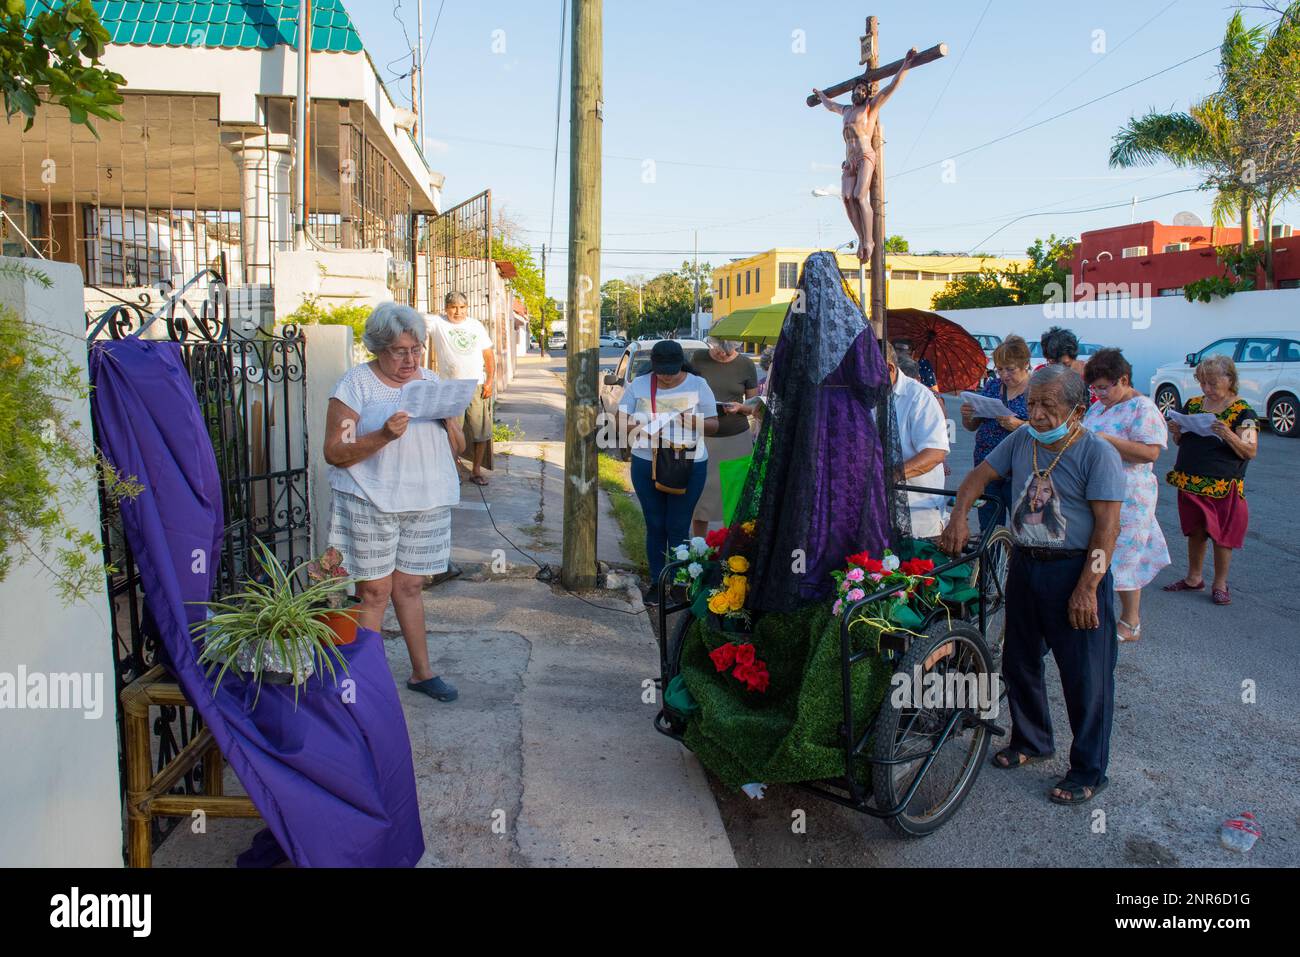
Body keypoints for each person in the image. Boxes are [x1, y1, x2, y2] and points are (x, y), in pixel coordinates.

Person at [940, 364, 1125, 805]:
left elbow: (1108, 529)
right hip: (1027, 564)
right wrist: (960, 516)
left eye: (1049, 406)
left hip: (1076, 572)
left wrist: (1087, 588)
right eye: (1033, 404)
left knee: (1086, 676)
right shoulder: (1022, 439)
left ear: (1077, 410)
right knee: (1019, 661)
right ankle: (1032, 740)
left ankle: (1088, 770)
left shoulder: (1098, 454)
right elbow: (977, 478)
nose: (1037, 414)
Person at [323, 302, 465, 702]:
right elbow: (334, 450)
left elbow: (458, 448)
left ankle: (422, 674)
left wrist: (448, 424)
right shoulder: (355, 385)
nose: (411, 359)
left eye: (416, 348)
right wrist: (383, 435)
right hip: (370, 500)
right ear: (378, 348)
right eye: (399, 351)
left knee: (410, 587)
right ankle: (366, 684)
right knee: (374, 592)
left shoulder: (433, 382)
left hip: (426, 501)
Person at [617, 340, 719, 603]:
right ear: (654, 366)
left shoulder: (698, 385)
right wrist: (643, 425)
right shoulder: (640, 385)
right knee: (655, 524)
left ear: (680, 365)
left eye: (672, 372)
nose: (666, 377)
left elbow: (714, 425)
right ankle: (656, 581)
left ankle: (679, 582)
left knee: (678, 525)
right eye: (662, 372)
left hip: (689, 462)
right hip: (646, 460)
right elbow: (619, 421)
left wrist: (693, 421)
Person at [1083, 349, 1170, 642]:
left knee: (1125, 557)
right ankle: (1095, 610)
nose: (1098, 393)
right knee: (1097, 551)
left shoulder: (1142, 408)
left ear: (1124, 379)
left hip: (1130, 495)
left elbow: (1150, 452)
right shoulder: (1098, 407)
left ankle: (1130, 621)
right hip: (1097, 491)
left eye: (1104, 387)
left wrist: (1109, 441)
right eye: (1094, 388)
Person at [1162, 354, 1258, 606]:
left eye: (1213, 383)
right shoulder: (1193, 405)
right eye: (1203, 382)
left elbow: (1250, 450)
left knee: (1222, 535)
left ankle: (1220, 583)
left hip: (1223, 484)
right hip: (1191, 480)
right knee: (1195, 531)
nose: (1207, 389)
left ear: (1230, 379)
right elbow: (1182, 441)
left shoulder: (1243, 411)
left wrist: (1228, 434)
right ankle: (1194, 578)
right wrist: (1177, 432)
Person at [812, 47, 918, 263]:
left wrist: (905, 65)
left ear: (867, 93)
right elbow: (830, 105)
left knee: (860, 196)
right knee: (847, 198)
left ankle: (869, 240)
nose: (858, 92)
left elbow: (891, 87)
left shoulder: (870, 108)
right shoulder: (846, 111)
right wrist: (821, 95)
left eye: (862, 89)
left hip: (865, 156)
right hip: (849, 161)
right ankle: (861, 237)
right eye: (856, 88)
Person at [961, 334, 1031, 531]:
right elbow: (973, 426)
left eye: (1010, 369)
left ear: (1025, 364)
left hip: (1018, 469)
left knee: (1023, 526)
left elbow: (1048, 428)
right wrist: (968, 416)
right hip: (986, 465)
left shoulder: (1036, 390)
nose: (1004, 375)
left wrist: (1019, 425)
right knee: (988, 527)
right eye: (999, 369)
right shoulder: (993, 386)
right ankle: (992, 561)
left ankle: (1017, 561)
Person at [880, 341, 949, 539]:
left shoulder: (920, 397)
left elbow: (935, 453)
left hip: (918, 513)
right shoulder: (868, 395)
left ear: (889, 369)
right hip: (877, 512)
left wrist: (890, 475)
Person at [691, 337, 759, 537]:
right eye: (720, 350)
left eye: (729, 352)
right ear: (712, 343)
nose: (723, 354)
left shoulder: (746, 365)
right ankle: (699, 547)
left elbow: (753, 406)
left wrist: (740, 408)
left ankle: (733, 548)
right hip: (703, 437)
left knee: (735, 493)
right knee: (701, 495)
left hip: (736, 437)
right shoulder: (698, 358)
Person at [427, 291, 495, 486]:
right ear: (446, 308)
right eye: (453, 307)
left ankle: (475, 470)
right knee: (450, 430)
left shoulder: (475, 325)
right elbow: (411, 321)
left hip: (476, 385)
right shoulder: (437, 322)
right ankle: (454, 469)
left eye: (462, 307)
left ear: (467, 308)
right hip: (450, 387)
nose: (458, 312)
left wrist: (490, 380)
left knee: (479, 430)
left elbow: (488, 355)